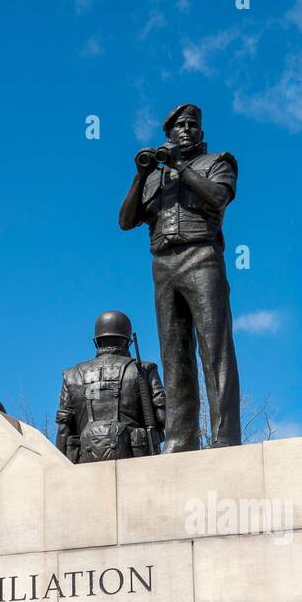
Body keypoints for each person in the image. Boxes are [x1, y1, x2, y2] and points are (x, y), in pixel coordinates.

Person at [118, 103, 241, 451]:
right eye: (179, 125)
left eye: (193, 125)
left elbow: (218, 198)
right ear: (168, 133)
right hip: (163, 264)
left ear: (200, 132)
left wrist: (180, 168)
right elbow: (126, 221)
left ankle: (225, 436)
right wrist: (141, 174)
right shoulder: (154, 177)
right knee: (174, 355)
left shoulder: (217, 162)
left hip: (201, 256)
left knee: (214, 349)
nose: (186, 130)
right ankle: (181, 438)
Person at [55, 310, 165, 463]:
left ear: (97, 341)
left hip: (84, 464)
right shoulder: (144, 370)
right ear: (128, 341)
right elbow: (163, 416)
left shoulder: (71, 375)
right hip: (138, 462)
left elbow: (63, 428)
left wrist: (60, 466)